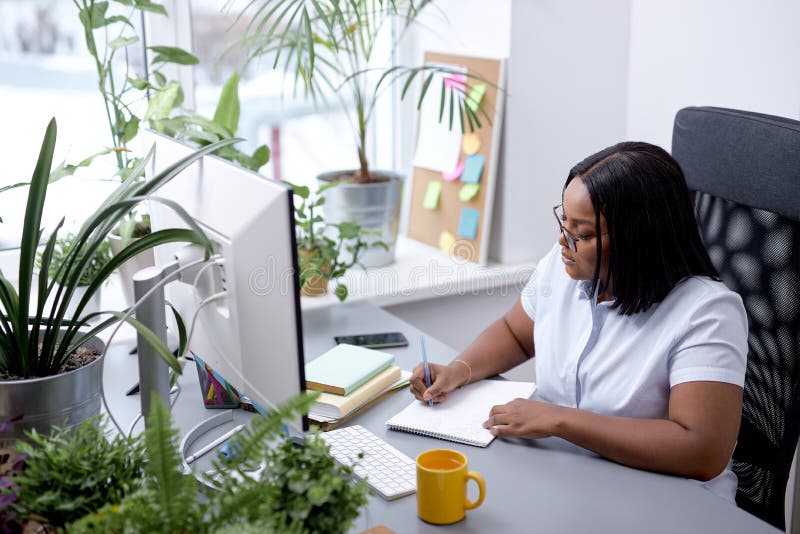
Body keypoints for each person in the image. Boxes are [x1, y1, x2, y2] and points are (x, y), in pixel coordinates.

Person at [410, 141, 748, 501]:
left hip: (664, 501)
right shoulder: (564, 266)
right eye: (564, 221)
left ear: (638, 241)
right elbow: (516, 333)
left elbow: (701, 450)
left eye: (582, 233)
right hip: (569, 480)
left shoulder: (707, 314)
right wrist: (461, 369)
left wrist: (558, 420)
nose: (563, 240)